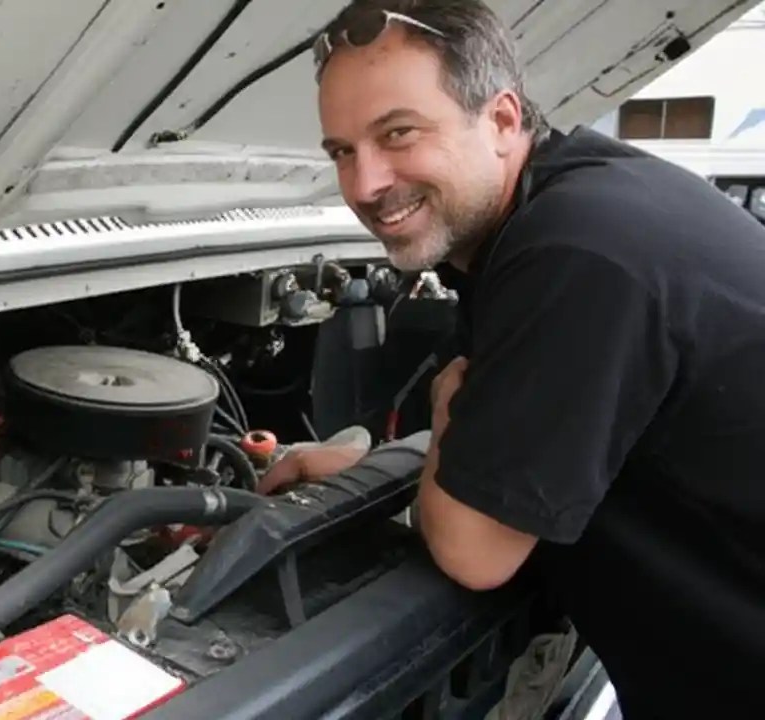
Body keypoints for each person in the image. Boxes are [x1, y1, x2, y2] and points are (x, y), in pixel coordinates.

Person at [256, 0, 765, 716]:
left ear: (499, 119)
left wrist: (445, 402)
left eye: (397, 133)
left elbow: (474, 551)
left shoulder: (576, 253)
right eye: (342, 151)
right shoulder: (571, 201)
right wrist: (364, 476)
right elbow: (525, 439)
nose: (365, 184)